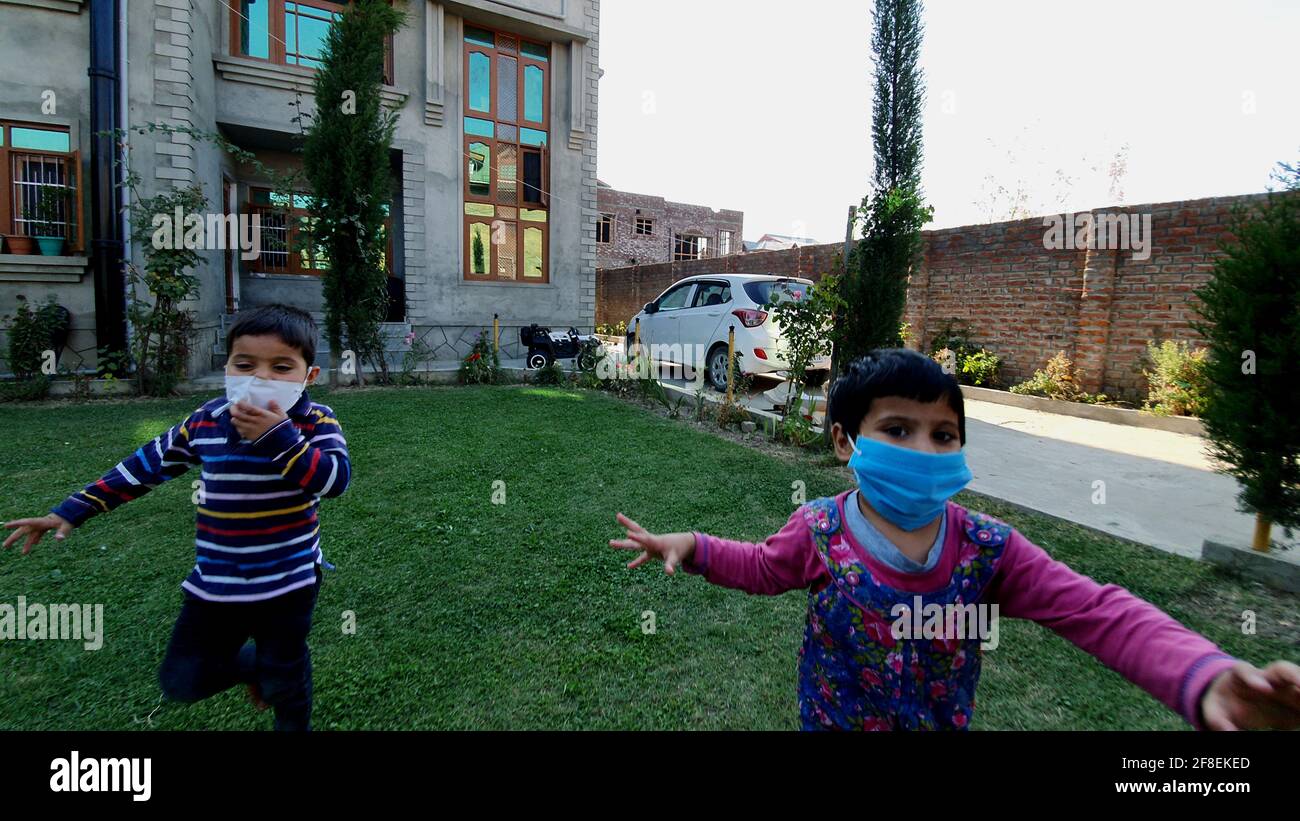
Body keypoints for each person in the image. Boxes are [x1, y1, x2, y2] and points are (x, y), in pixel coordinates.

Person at [610, 348, 1300, 730]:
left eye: (944, 435)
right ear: (846, 440)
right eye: (899, 429)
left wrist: (1203, 677)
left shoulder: (989, 549)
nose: (927, 449)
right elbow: (763, 566)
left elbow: (1098, 610)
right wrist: (693, 546)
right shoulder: (819, 529)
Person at [3, 304, 351, 731]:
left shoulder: (315, 422)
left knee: (286, 686)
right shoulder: (206, 421)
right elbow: (145, 466)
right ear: (227, 368)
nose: (261, 378)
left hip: (290, 582)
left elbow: (334, 480)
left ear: (308, 376)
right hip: (215, 585)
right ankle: (263, 667)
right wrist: (73, 510)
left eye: (281, 367)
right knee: (183, 681)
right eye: (245, 365)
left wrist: (279, 437)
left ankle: (283, 683)